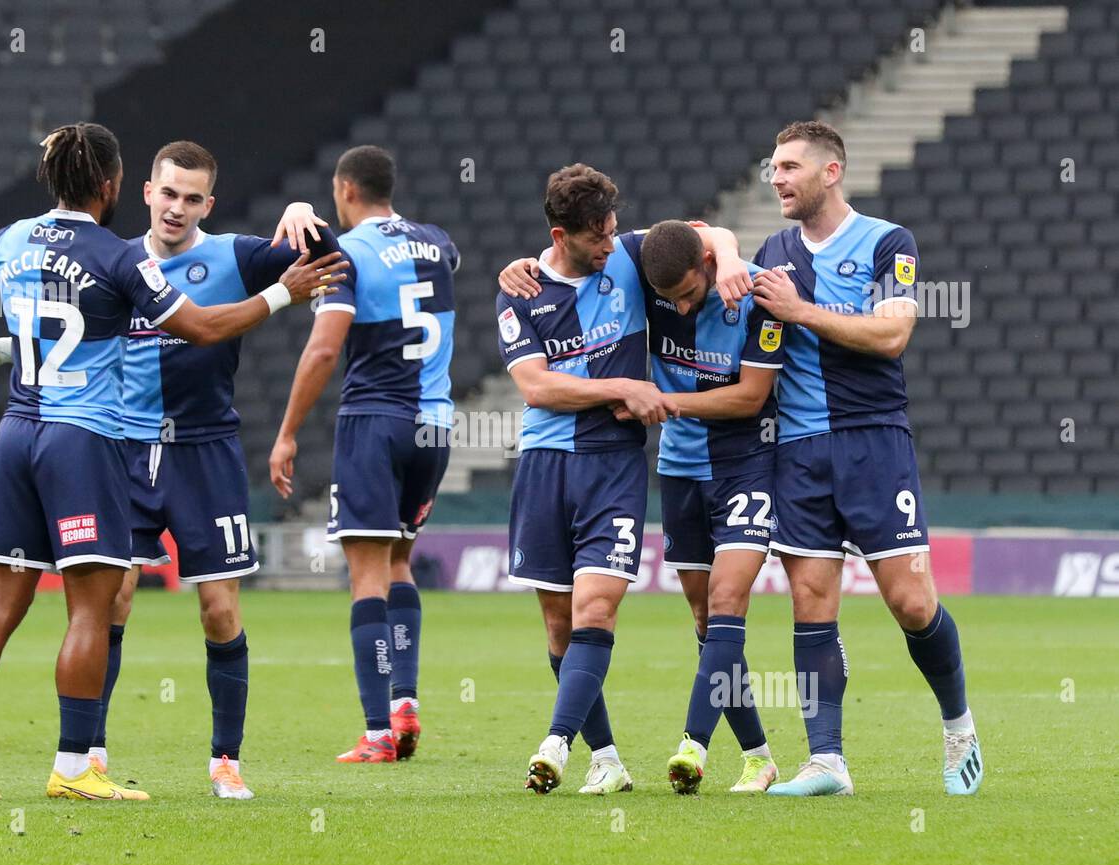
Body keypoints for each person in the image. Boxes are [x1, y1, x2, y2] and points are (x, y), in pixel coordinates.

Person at [0, 122, 346, 800]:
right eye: (167, 193)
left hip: (65, 434)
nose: (176, 207)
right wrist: (281, 297)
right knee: (98, 606)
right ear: (127, 189)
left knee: (14, 601)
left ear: (209, 205)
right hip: (98, 441)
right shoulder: (120, 259)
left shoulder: (16, 237)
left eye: (192, 197)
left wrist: (302, 217)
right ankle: (78, 764)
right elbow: (198, 327)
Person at [499, 217, 781, 793]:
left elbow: (752, 397)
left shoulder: (751, 293)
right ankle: (757, 755)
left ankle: (692, 747)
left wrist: (727, 254)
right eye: (667, 300)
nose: (676, 310)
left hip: (745, 464)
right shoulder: (642, 272)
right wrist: (520, 263)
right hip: (679, 469)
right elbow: (571, 266)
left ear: (705, 267)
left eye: (686, 296)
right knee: (705, 621)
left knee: (727, 604)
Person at [749, 120, 981, 796]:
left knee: (911, 603)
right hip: (797, 450)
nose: (777, 178)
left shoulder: (887, 241)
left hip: (873, 442)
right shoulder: (772, 249)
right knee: (811, 601)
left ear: (830, 172)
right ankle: (827, 761)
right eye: (772, 168)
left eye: (790, 166)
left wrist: (803, 309)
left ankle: (958, 723)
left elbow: (891, 334)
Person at [269, 146, 457, 763]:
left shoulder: (345, 257)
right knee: (400, 561)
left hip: (375, 422)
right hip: (434, 426)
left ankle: (378, 730)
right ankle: (405, 703)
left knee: (366, 576)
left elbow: (324, 351)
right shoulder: (437, 243)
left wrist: (288, 431)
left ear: (345, 189)